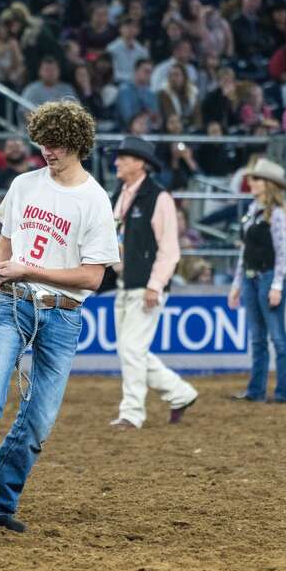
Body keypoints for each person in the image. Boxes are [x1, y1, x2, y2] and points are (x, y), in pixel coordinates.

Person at [0, 100, 119, 535]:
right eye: (42, 144)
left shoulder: (95, 201)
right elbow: (2, 251)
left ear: (76, 144)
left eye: (54, 145)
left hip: (63, 315)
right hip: (12, 304)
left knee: (38, 421)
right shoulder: (24, 185)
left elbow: (92, 277)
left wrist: (29, 269)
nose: (47, 152)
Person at [107, 137, 198, 430]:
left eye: (123, 157)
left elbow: (170, 250)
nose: (117, 162)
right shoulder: (119, 194)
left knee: (131, 351)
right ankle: (180, 393)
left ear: (139, 162)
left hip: (144, 285)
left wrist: (155, 285)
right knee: (132, 351)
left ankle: (132, 413)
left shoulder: (160, 198)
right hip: (125, 282)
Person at [228, 159, 286, 404]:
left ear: (269, 184)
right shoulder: (253, 210)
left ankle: (282, 392)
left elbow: (282, 252)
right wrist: (237, 283)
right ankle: (256, 390)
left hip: (266, 278)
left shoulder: (276, 215)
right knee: (258, 338)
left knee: (277, 337)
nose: (251, 182)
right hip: (252, 277)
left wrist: (277, 284)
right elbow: (244, 252)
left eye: (256, 179)